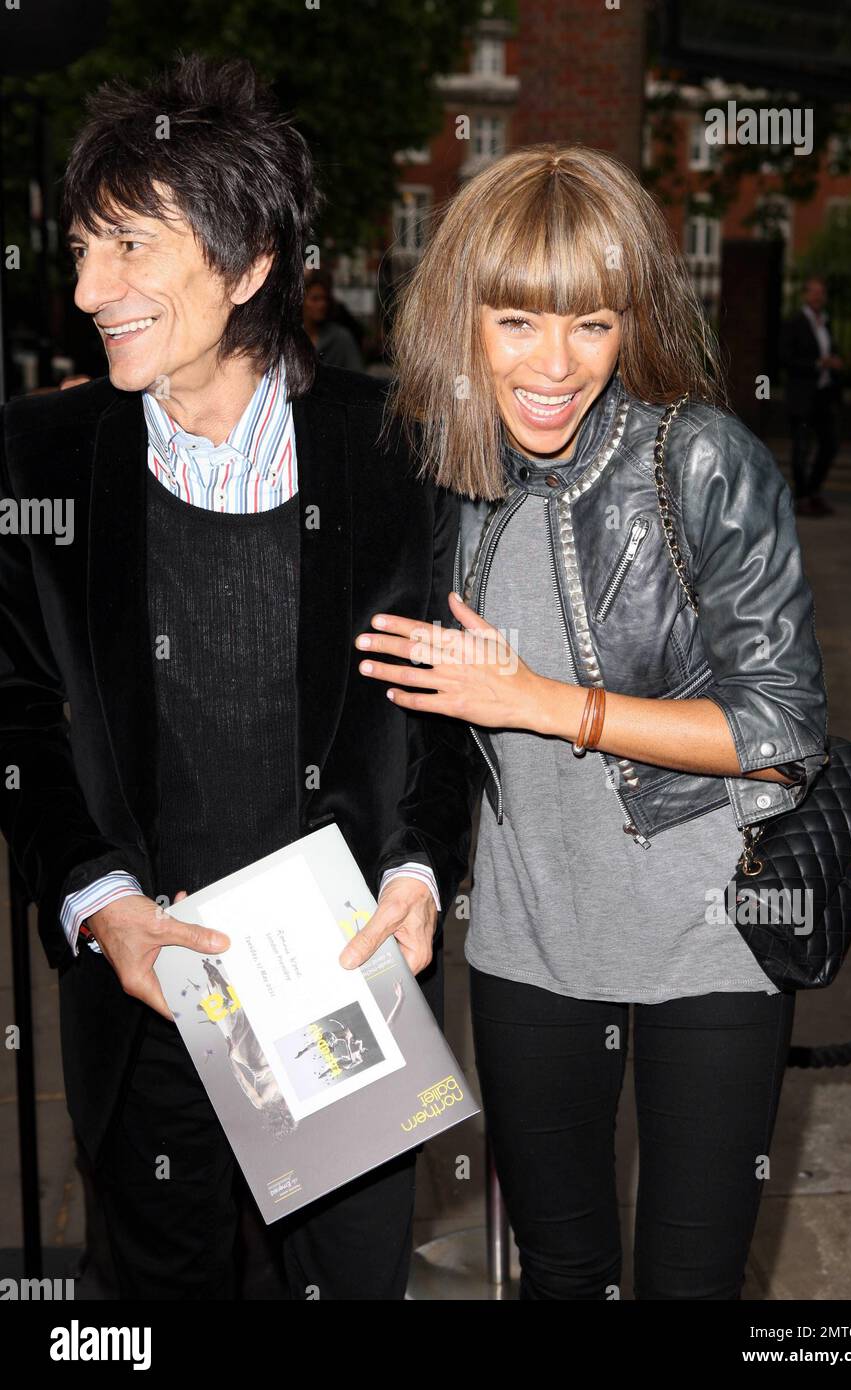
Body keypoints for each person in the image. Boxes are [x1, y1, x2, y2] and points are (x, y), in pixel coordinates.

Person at [0, 55, 473, 1300]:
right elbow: (17, 721)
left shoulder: (396, 454)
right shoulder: (40, 459)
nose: (90, 287)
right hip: (153, 994)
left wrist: (421, 872)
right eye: (84, 250)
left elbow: (442, 712)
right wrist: (100, 901)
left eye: (130, 250)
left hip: (341, 994)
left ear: (250, 260)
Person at [353, 144, 829, 1300]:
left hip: (708, 937)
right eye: (516, 322)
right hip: (526, 941)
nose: (553, 367)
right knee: (559, 1272)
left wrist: (548, 705)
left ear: (633, 321)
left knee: (690, 1281)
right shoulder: (443, 470)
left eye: (592, 325)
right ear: (464, 313)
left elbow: (784, 727)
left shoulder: (702, 459)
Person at [779, 275, 843, 516]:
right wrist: (818, 363)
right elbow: (785, 358)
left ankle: (814, 491)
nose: (818, 296)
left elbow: (830, 349)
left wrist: (835, 361)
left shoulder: (825, 322)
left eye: (822, 292)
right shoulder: (794, 323)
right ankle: (803, 497)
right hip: (801, 396)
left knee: (830, 445)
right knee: (802, 448)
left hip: (823, 395)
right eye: (814, 292)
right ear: (805, 295)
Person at [303, 270, 365, 370]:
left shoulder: (341, 338)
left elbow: (357, 374)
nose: (321, 305)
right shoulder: (291, 338)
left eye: (325, 299)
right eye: (315, 299)